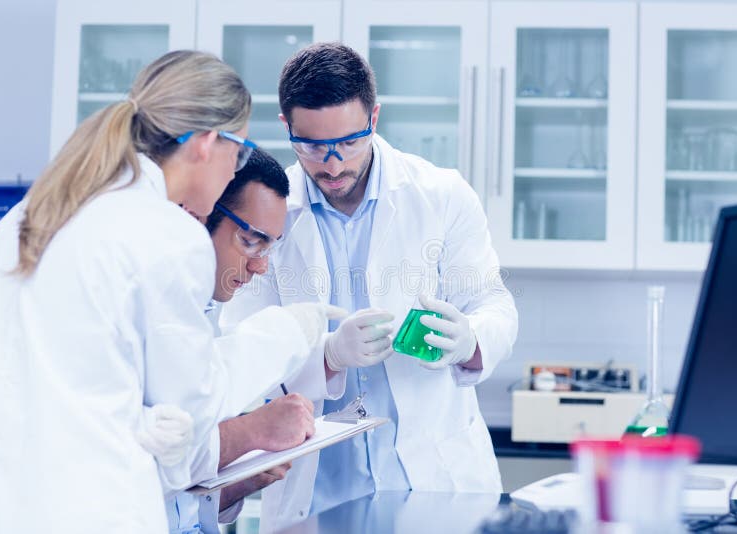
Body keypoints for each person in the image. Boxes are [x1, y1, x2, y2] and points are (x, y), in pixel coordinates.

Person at [0, 50, 336, 533]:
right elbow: (194, 437)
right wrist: (291, 331)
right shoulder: (166, 235)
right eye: (240, 152)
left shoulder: (26, 218)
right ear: (208, 143)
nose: (235, 171)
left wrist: (143, 427)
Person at [220, 42, 519, 531]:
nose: (332, 164)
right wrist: (327, 355)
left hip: (433, 487)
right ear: (287, 127)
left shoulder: (441, 195)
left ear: (374, 117)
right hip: (319, 497)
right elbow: (245, 352)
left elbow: (492, 300)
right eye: (312, 146)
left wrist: (471, 340)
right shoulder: (267, 214)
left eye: (348, 142)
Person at [168, 149, 322, 533]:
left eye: (270, 246)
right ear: (199, 215)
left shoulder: (202, 309)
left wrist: (244, 480)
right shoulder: (156, 312)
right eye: (250, 241)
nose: (261, 266)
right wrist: (252, 431)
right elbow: (151, 459)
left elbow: (177, 500)